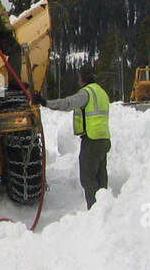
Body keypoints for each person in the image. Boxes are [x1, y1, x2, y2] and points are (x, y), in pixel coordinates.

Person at [36, 67, 111, 210]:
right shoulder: (102, 92)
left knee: (88, 178)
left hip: (92, 141)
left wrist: (45, 102)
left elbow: (68, 103)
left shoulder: (86, 93)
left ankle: (95, 210)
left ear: (82, 79)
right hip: (104, 140)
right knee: (101, 177)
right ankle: (105, 208)